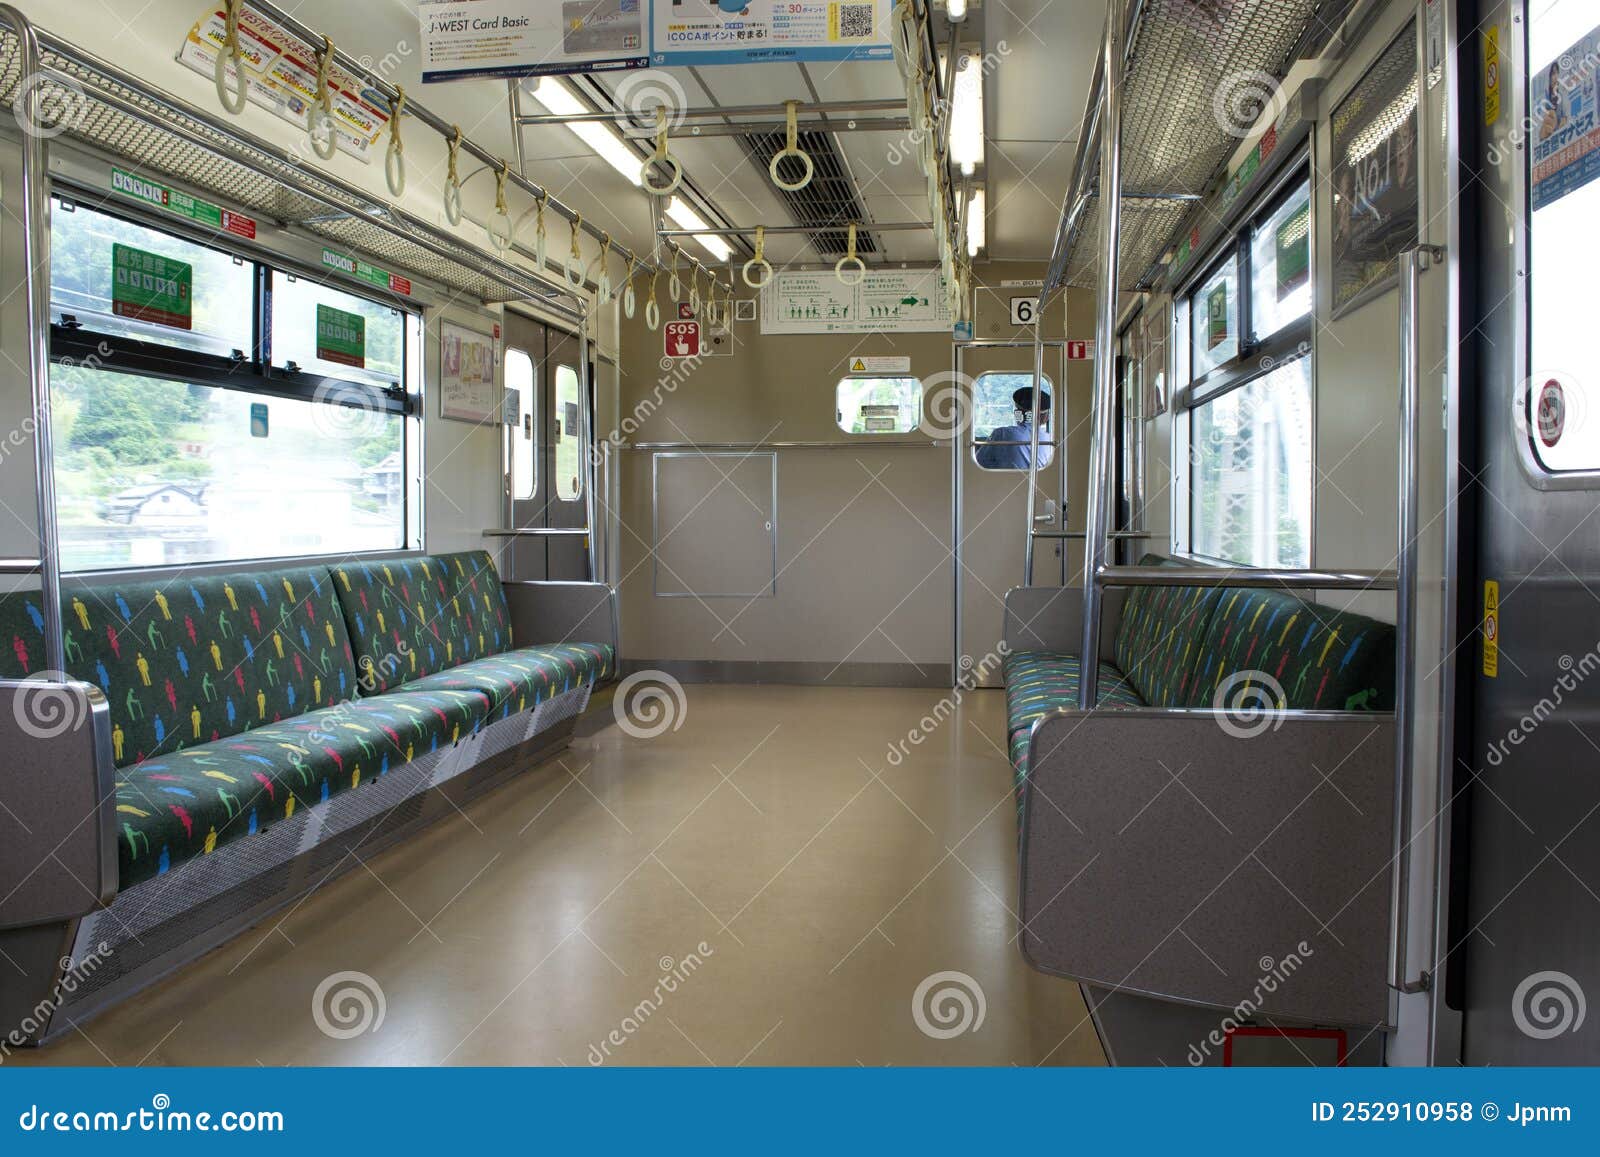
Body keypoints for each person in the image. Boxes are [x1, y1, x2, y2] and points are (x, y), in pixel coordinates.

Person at [976, 387, 1054, 469]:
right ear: (1045, 418)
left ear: (1017, 413)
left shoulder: (1001, 433)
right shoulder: (1050, 439)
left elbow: (979, 463)